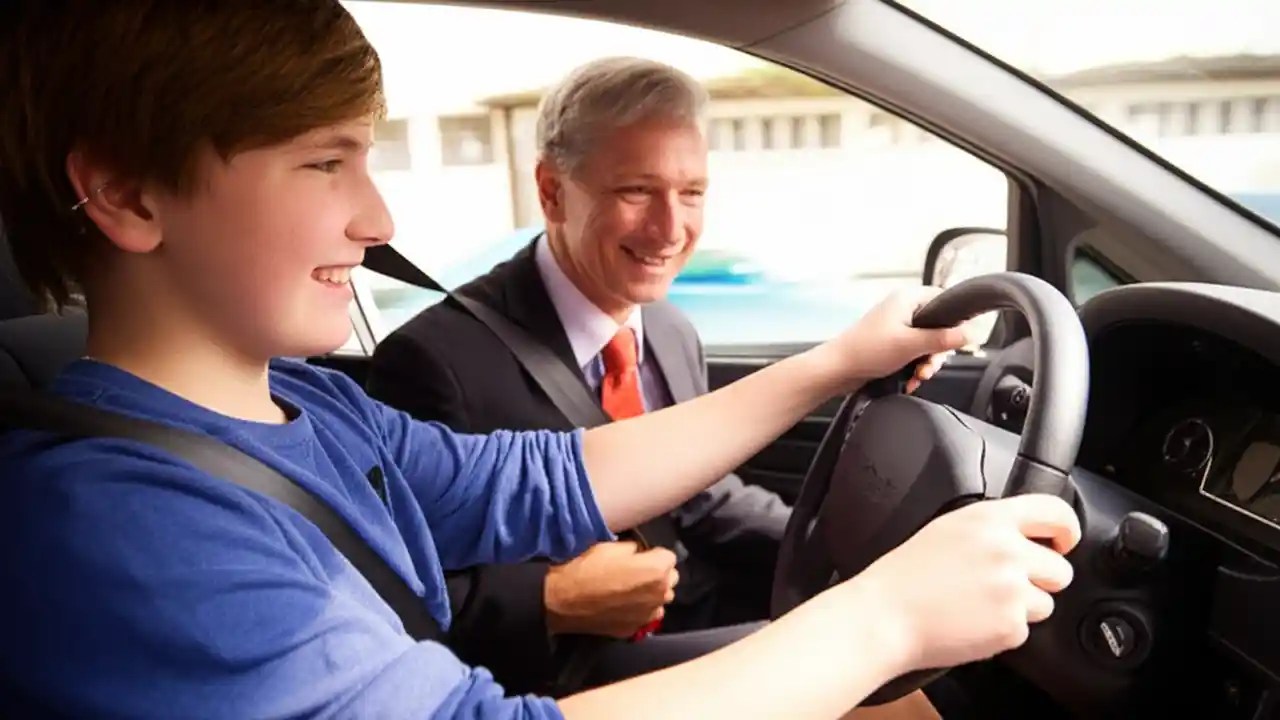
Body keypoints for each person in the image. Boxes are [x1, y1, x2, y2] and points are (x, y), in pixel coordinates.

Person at [0, 2, 1081, 719]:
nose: (376, 218)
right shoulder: (111, 526)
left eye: (362, 160)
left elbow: (553, 478)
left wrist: (835, 363)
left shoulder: (313, 407)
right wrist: (885, 616)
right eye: (323, 163)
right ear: (130, 196)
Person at [366, 56, 792, 695]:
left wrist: (834, 540)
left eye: (691, 193)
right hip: (558, 675)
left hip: (689, 623)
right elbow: (384, 589)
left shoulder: (670, 331)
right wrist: (550, 596)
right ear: (551, 192)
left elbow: (702, 496)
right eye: (635, 191)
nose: (670, 229)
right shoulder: (434, 361)